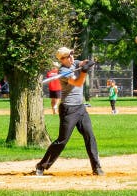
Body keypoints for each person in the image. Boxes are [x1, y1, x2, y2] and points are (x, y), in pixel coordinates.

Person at [35, 47, 103, 176]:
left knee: (90, 136)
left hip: (80, 107)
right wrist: (84, 72)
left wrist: (87, 63)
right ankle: (41, 165)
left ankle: (96, 167)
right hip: (69, 109)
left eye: (72, 54)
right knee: (62, 140)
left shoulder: (75, 63)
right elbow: (78, 82)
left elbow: (83, 62)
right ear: (62, 59)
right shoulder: (64, 71)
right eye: (68, 56)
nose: (72, 57)